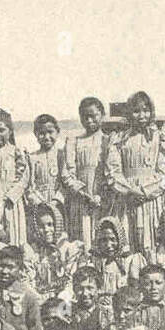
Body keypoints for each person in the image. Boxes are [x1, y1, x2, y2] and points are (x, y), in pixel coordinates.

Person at [105, 91, 165, 253]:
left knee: (153, 240)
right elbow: (113, 170)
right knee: (128, 239)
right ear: (129, 113)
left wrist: (145, 191)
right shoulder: (120, 138)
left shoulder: (158, 137)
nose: (142, 115)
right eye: (136, 111)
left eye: (146, 110)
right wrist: (129, 190)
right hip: (127, 198)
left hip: (152, 198)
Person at [62, 97, 109, 243]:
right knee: (82, 238)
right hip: (80, 199)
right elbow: (67, 173)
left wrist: (100, 195)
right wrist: (82, 192)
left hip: (102, 198)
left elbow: (113, 170)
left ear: (102, 115)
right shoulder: (74, 141)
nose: (89, 121)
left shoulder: (109, 141)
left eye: (93, 116)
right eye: (85, 117)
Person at [0, 110, 30, 247]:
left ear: (9, 131)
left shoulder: (16, 152)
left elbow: (24, 178)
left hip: (12, 204)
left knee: (14, 238)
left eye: (1, 130)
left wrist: (11, 196)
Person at [24, 203, 85, 301]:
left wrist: (61, 299)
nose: (46, 230)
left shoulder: (68, 249)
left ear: (57, 224)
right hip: (40, 299)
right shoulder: (32, 251)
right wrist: (39, 299)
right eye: (41, 226)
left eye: (50, 225)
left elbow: (70, 281)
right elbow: (27, 281)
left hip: (63, 299)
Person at [80, 217, 145, 297]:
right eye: (104, 240)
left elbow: (136, 290)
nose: (108, 245)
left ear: (120, 239)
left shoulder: (131, 260)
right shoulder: (92, 260)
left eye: (112, 239)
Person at [26, 114, 65, 217]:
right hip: (39, 205)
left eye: (50, 132)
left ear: (57, 132)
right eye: (42, 133)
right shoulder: (32, 158)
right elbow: (30, 185)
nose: (47, 137)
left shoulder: (62, 155)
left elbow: (65, 183)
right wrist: (39, 202)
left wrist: (56, 201)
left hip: (59, 203)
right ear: (36, 134)